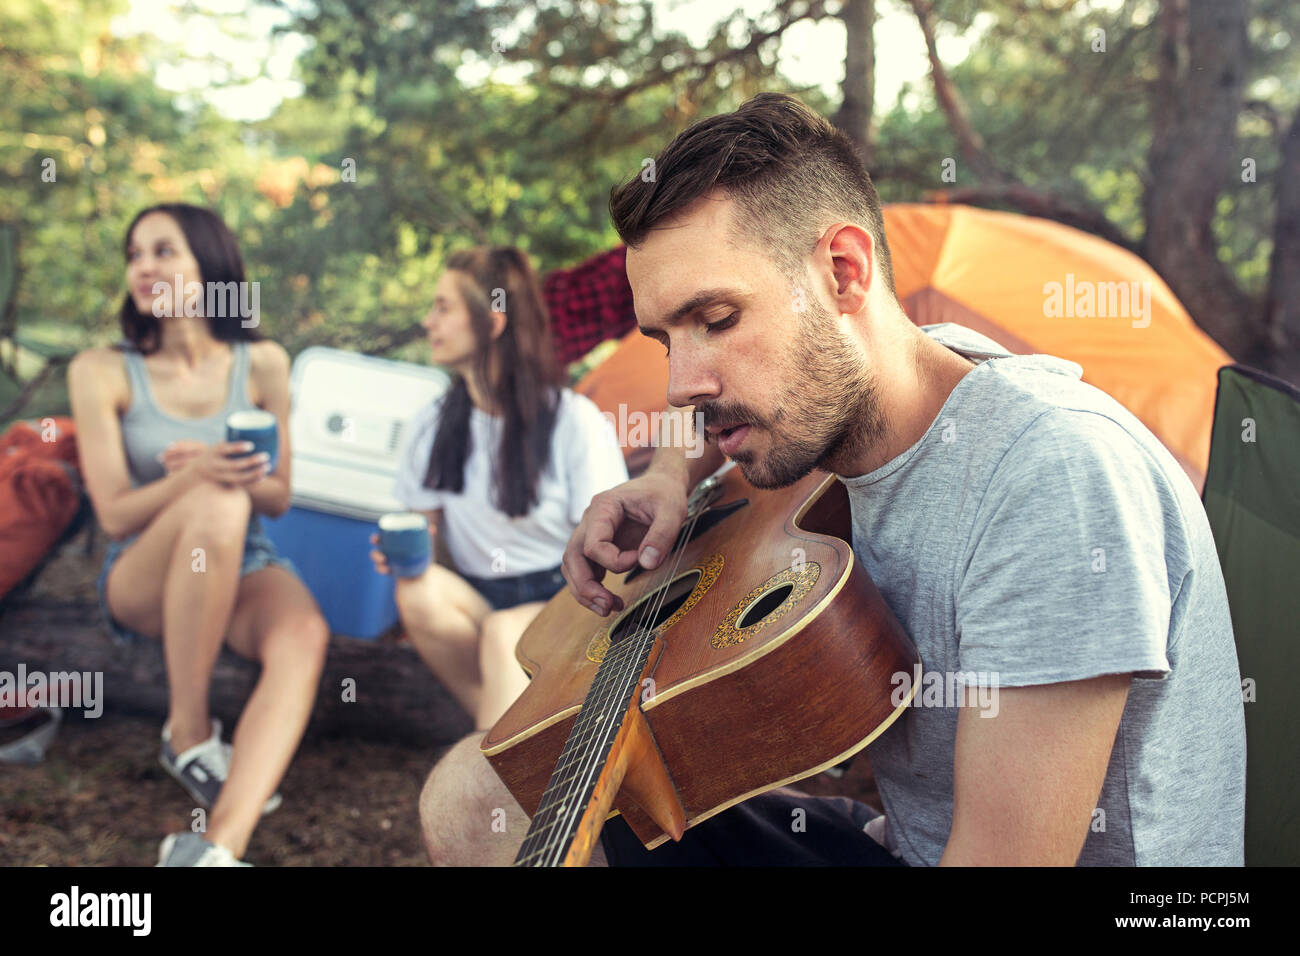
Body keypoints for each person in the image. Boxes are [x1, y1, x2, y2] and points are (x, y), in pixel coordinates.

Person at [416, 93, 1247, 866]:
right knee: (476, 794)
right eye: (668, 339)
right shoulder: (887, 380)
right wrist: (671, 477)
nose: (681, 382)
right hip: (902, 845)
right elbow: (709, 413)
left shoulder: (1049, 475)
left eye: (716, 319)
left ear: (844, 273)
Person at [68, 203, 329, 867]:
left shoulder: (263, 362)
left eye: (163, 251)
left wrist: (233, 474)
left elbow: (277, 495)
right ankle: (187, 731)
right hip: (143, 569)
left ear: (209, 265)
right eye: (135, 255)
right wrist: (200, 476)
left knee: (303, 634)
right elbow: (116, 515)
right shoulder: (101, 369)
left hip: (244, 560)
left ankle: (216, 849)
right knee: (215, 496)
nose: (144, 267)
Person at [371, 246, 628, 730]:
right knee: (417, 591)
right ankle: (515, 742)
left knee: (503, 632)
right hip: (479, 595)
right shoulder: (431, 424)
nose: (428, 322)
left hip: (566, 597)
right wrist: (404, 553)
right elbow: (426, 541)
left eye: (443, 308)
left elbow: (609, 552)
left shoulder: (572, 421)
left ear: (492, 324)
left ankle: (491, 765)